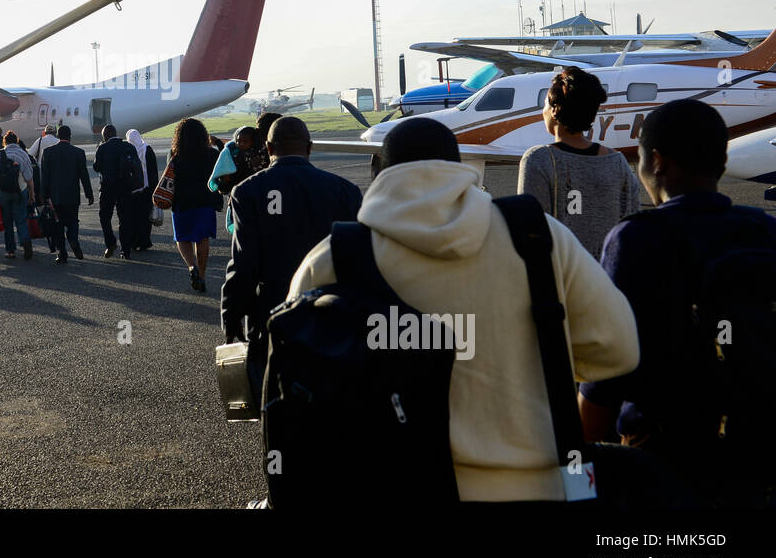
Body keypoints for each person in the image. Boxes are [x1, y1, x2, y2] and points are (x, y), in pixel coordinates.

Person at [288, 117, 638, 501]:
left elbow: (296, 385)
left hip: (386, 486)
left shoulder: (333, 258)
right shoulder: (537, 235)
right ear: (459, 170)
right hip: (535, 489)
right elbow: (618, 350)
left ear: (380, 174)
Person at [578, 99, 776, 506]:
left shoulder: (637, 238)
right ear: (721, 164)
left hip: (660, 460)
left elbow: (605, 376)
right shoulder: (763, 229)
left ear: (657, 162)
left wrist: (572, 473)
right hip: (756, 451)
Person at [221, 116, 363, 391]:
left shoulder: (247, 191)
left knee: (276, 401)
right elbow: (357, 261)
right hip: (330, 314)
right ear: (309, 147)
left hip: (272, 315)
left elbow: (244, 264)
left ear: (269, 149)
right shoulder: (346, 191)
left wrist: (231, 314)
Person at [517, 66, 641, 258]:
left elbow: (530, 231)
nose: (543, 112)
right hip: (608, 278)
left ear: (554, 109)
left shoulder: (538, 159)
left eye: (545, 106)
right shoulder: (617, 162)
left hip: (564, 279)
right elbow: (632, 224)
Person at [166, 117, 223, 290]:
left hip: (182, 202)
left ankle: (192, 266)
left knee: (182, 238)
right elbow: (224, 163)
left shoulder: (175, 155)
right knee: (202, 238)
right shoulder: (211, 154)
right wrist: (218, 142)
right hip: (205, 201)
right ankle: (202, 276)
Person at [40, 124, 94, 263]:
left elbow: (44, 177)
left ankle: (62, 253)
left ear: (58, 136)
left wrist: (44, 196)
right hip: (72, 195)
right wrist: (89, 194)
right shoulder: (78, 152)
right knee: (73, 220)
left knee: (57, 225)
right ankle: (73, 239)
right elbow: (84, 176)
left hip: (55, 196)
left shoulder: (48, 152)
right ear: (70, 137)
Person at [94, 124, 142, 258]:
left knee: (105, 217)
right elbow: (136, 165)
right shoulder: (128, 146)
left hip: (108, 188)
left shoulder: (103, 148)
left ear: (105, 136)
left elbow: (97, 168)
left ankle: (110, 242)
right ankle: (125, 250)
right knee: (125, 219)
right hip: (125, 187)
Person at [0, 130, 36, 259]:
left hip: (2, 193)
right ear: (16, 141)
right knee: (21, 219)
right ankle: (25, 243)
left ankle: (10, 250)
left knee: (7, 222)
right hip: (19, 191)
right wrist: (32, 194)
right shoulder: (22, 154)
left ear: (4, 141)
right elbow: (29, 177)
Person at [125, 129, 158, 251]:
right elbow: (153, 171)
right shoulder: (147, 149)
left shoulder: (127, 150)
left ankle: (134, 241)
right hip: (147, 188)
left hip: (133, 189)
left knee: (133, 216)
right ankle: (145, 241)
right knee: (145, 216)